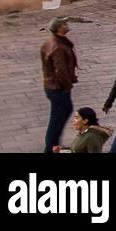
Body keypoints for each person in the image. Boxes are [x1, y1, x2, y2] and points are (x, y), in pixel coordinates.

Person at [41, 17, 78, 154]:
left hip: (53, 86)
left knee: (60, 114)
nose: (67, 25)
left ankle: (53, 145)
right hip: (58, 88)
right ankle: (51, 147)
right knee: (58, 117)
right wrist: (68, 86)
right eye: (64, 23)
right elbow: (60, 71)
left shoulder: (54, 42)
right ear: (59, 28)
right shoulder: (57, 47)